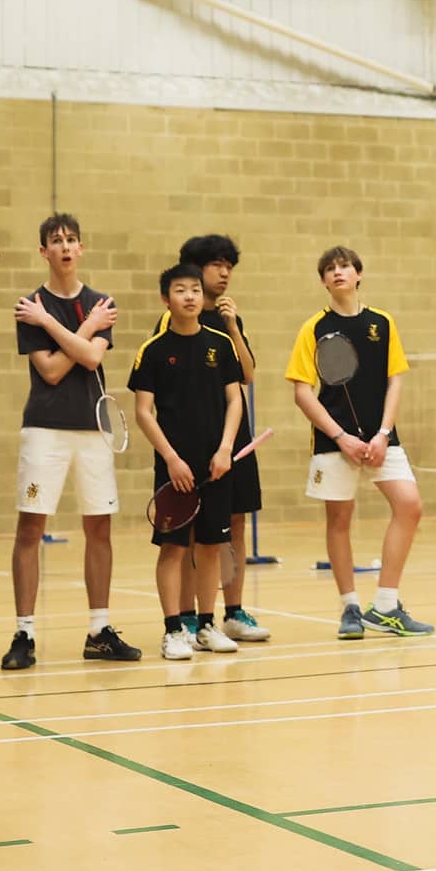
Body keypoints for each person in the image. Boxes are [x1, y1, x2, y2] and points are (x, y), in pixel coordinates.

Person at [2, 212, 140, 670]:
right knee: (31, 528)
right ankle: (24, 633)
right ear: (43, 250)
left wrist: (59, 327)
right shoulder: (30, 306)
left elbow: (91, 356)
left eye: (71, 240)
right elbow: (54, 369)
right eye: (55, 240)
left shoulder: (101, 302)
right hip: (44, 428)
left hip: (93, 430)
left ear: (81, 248)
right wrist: (72, 327)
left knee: (98, 527)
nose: (64, 246)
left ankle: (99, 630)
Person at [286, 247, 435, 639]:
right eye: (329, 269)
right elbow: (303, 392)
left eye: (344, 267)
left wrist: (384, 434)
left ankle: (385, 606)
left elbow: (395, 380)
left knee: (410, 506)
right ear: (323, 280)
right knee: (339, 519)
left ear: (358, 275)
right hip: (335, 441)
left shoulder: (383, 323)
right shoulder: (313, 329)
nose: (338, 273)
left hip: (382, 437)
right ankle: (350, 607)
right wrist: (341, 437)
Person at [131, 263, 246, 660]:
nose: (190, 296)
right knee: (174, 549)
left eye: (195, 289)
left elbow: (236, 399)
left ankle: (207, 626)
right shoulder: (154, 351)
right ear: (167, 299)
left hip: (215, 463)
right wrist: (171, 458)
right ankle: (173, 630)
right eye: (181, 290)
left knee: (213, 546)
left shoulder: (220, 344)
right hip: (173, 467)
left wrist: (226, 448)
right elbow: (144, 412)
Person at [166, 233, 270, 643]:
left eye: (229, 265)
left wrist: (230, 325)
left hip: (235, 436)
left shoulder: (230, 320)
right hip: (195, 438)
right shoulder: (175, 320)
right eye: (216, 265)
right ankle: (192, 615)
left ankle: (233, 610)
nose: (224, 273)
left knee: (236, 522)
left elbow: (247, 374)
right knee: (195, 529)